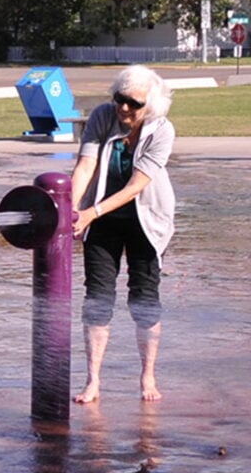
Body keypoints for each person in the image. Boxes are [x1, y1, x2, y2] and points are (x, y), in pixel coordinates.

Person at [70, 65, 177, 406]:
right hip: (101, 221)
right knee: (97, 298)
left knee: (144, 298)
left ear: (152, 106)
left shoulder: (162, 130)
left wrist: (91, 212)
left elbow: (136, 187)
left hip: (146, 220)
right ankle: (93, 381)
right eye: (120, 99)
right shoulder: (102, 117)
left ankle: (147, 374)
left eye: (134, 102)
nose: (124, 108)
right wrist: (71, 211)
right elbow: (85, 166)